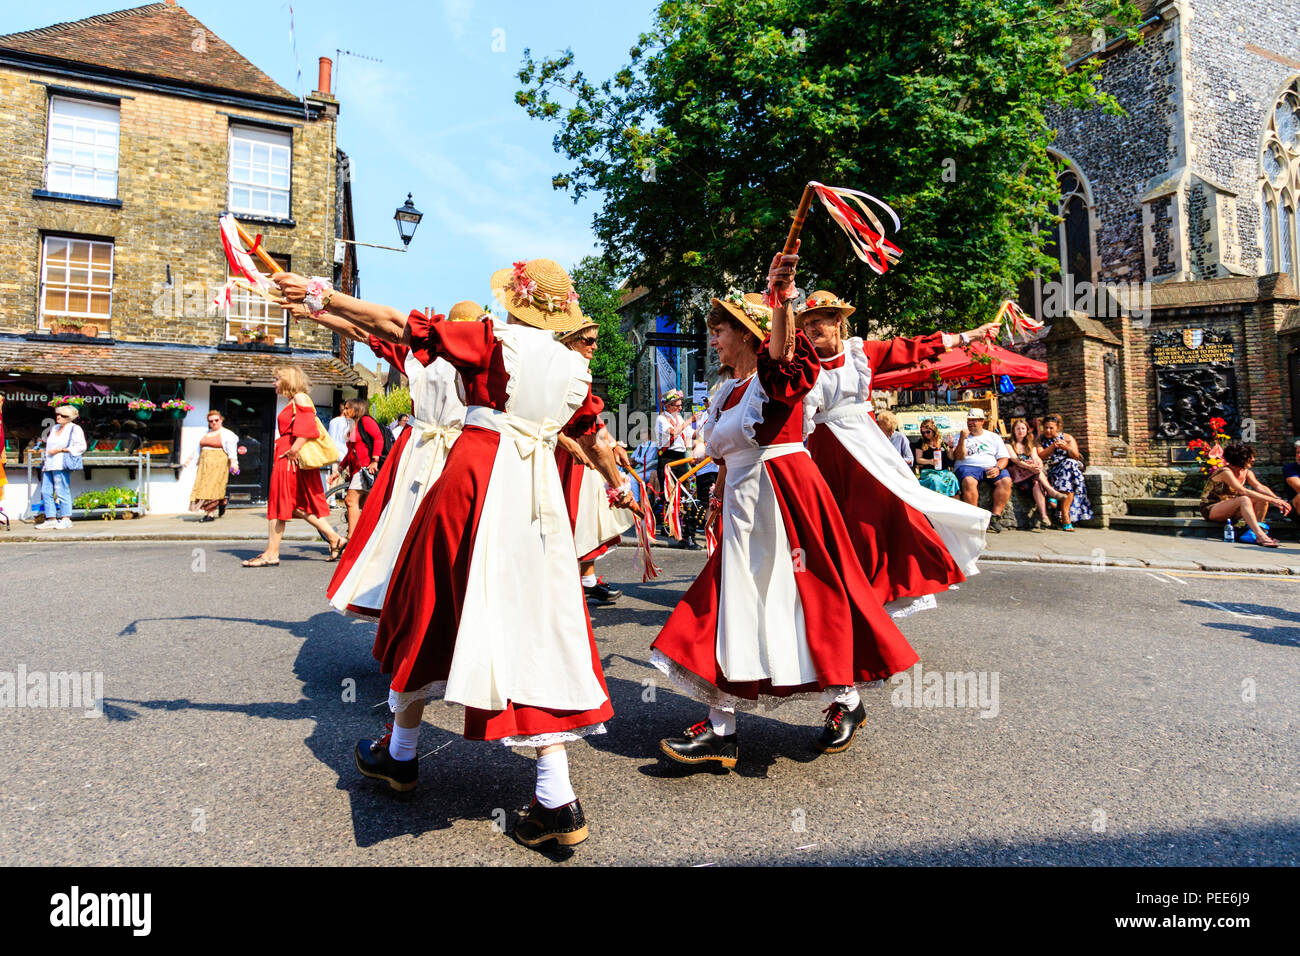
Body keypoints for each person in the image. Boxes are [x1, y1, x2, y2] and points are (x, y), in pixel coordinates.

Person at [272, 258, 639, 850]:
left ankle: (402, 753)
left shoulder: (499, 342)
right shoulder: (575, 367)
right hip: (536, 500)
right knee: (539, 622)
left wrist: (321, 296)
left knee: (431, 605)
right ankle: (555, 796)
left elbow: (399, 325)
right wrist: (620, 488)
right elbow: (594, 437)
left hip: (473, 481)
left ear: (518, 302)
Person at [651, 249, 921, 770]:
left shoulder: (780, 379)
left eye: (720, 331)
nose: (713, 340)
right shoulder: (727, 392)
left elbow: (784, 366)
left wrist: (782, 298)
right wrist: (715, 497)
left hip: (787, 497)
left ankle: (844, 700)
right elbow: (728, 453)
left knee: (807, 596)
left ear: (750, 335)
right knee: (735, 602)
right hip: (742, 505)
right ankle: (721, 728)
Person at [798, 290, 992, 613]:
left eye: (817, 321)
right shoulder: (803, 364)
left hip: (866, 449)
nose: (811, 329)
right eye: (806, 324)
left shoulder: (861, 353)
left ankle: (872, 595)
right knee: (833, 526)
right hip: (826, 451)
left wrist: (966, 337)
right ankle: (839, 597)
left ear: (836, 322)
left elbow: (911, 349)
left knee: (872, 519)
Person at [311, 301, 473, 619]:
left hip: (426, 450)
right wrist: (319, 313)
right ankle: (427, 609)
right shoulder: (478, 354)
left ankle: (418, 606)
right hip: (449, 449)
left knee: (404, 528)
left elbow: (363, 330)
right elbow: (364, 330)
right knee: (426, 532)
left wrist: (319, 312)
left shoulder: (422, 351)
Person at [556, 314, 635, 605]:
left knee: (589, 512)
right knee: (573, 513)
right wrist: (620, 486)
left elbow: (591, 418)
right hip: (567, 453)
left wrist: (613, 443)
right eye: (588, 341)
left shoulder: (579, 370)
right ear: (570, 342)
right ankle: (564, 580)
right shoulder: (567, 371)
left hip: (582, 449)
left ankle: (586, 578)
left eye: (595, 341)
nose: (595, 346)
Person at [242, 366, 344, 566]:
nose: (274, 383)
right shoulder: (294, 400)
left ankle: (271, 554)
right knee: (294, 505)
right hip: (288, 455)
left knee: (279, 504)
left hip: (289, 458)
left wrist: (294, 450)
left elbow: (308, 428)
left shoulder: (300, 398)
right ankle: (335, 538)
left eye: (277, 379)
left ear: (288, 380)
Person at [1200, 442, 1291, 547]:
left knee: (1262, 499)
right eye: (1250, 457)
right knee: (1244, 499)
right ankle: (1260, 535)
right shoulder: (1225, 472)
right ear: (1240, 458)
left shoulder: (1247, 472)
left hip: (1231, 507)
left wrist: (1277, 499)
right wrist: (1274, 501)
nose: (1253, 459)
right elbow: (1242, 490)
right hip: (1212, 509)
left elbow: (1259, 487)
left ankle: (1251, 533)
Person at [949, 408, 1013, 532]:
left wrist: (998, 468)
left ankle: (995, 517)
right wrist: (962, 439)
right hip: (967, 466)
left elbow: (1004, 458)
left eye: (974, 420)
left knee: (1005, 481)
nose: (971, 423)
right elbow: (959, 456)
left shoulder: (993, 437)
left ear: (982, 421)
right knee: (969, 481)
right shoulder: (960, 436)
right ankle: (975, 518)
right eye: (969, 420)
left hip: (990, 466)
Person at [1006, 418, 1065, 531]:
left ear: (1027, 430)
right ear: (1013, 430)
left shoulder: (1030, 444)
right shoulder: (1009, 444)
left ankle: (1044, 516)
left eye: (1023, 428)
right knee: (1036, 472)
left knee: (1037, 483)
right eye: (1018, 429)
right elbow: (1015, 460)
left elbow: (1036, 457)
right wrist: (1030, 467)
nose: (1021, 431)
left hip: (1031, 474)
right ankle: (1051, 491)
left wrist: (1038, 464)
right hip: (1017, 474)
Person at [1037, 414, 1093, 531]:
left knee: (1070, 464)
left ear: (1058, 427)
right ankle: (1066, 517)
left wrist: (1066, 448)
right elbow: (1040, 455)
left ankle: (1059, 502)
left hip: (1066, 471)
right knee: (1069, 475)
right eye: (1046, 427)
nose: (1048, 430)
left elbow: (1076, 456)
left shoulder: (1068, 438)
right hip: (1050, 469)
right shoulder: (1040, 439)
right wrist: (1053, 446)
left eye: (1051, 428)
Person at [35, 405, 87, 530]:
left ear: (70, 418)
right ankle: (51, 518)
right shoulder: (55, 428)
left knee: (61, 490)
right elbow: (50, 446)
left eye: (63, 415)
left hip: (61, 463)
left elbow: (81, 446)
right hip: (49, 463)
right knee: (45, 491)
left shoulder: (75, 428)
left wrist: (61, 450)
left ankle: (66, 518)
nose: (59, 417)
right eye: (58, 414)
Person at [341, 397, 385, 540]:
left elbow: (379, 438)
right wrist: (340, 469)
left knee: (350, 501)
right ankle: (363, 539)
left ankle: (351, 539)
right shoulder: (354, 425)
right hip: (357, 470)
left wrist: (375, 460)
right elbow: (351, 452)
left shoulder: (366, 421)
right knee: (362, 507)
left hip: (365, 468)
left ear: (357, 408)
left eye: (348, 408)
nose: (344, 411)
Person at [184, 410, 238, 521]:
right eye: (211, 421)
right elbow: (198, 449)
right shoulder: (206, 433)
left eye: (216, 420)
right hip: (204, 465)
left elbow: (232, 450)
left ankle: (210, 514)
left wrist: (234, 463)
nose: (214, 423)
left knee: (212, 487)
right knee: (203, 486)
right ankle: (222, 501)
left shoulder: (227, 434)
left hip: (218, 463)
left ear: (221, 420)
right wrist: (189, 460)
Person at [914, 419, 959, 497]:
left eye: (928, 432)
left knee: (952, 478)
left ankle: (953, 502)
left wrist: (951, 447)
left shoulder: (942, 442)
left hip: (943, 471)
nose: (925, 434)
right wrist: (930, 461)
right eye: (923, 432)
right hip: (929, 471)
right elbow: (918, 459)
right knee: (935, 480)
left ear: (934, 430)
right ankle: (937, 503)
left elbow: (951, 458)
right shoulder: (921, 442)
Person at [327, 400, 351, 485]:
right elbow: (353, 440)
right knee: (349, 481)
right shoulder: (351, 422)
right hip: (347, 455)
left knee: (334, 480)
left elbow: (330, 439)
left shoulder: (333, 421)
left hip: (335, 454)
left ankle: (331, 497)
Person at [1282, 438, 1300, 521]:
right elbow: (1298, 487)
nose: (1299, 455)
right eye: (1298, 452)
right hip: (1294, 507)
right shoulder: (1290, 468)